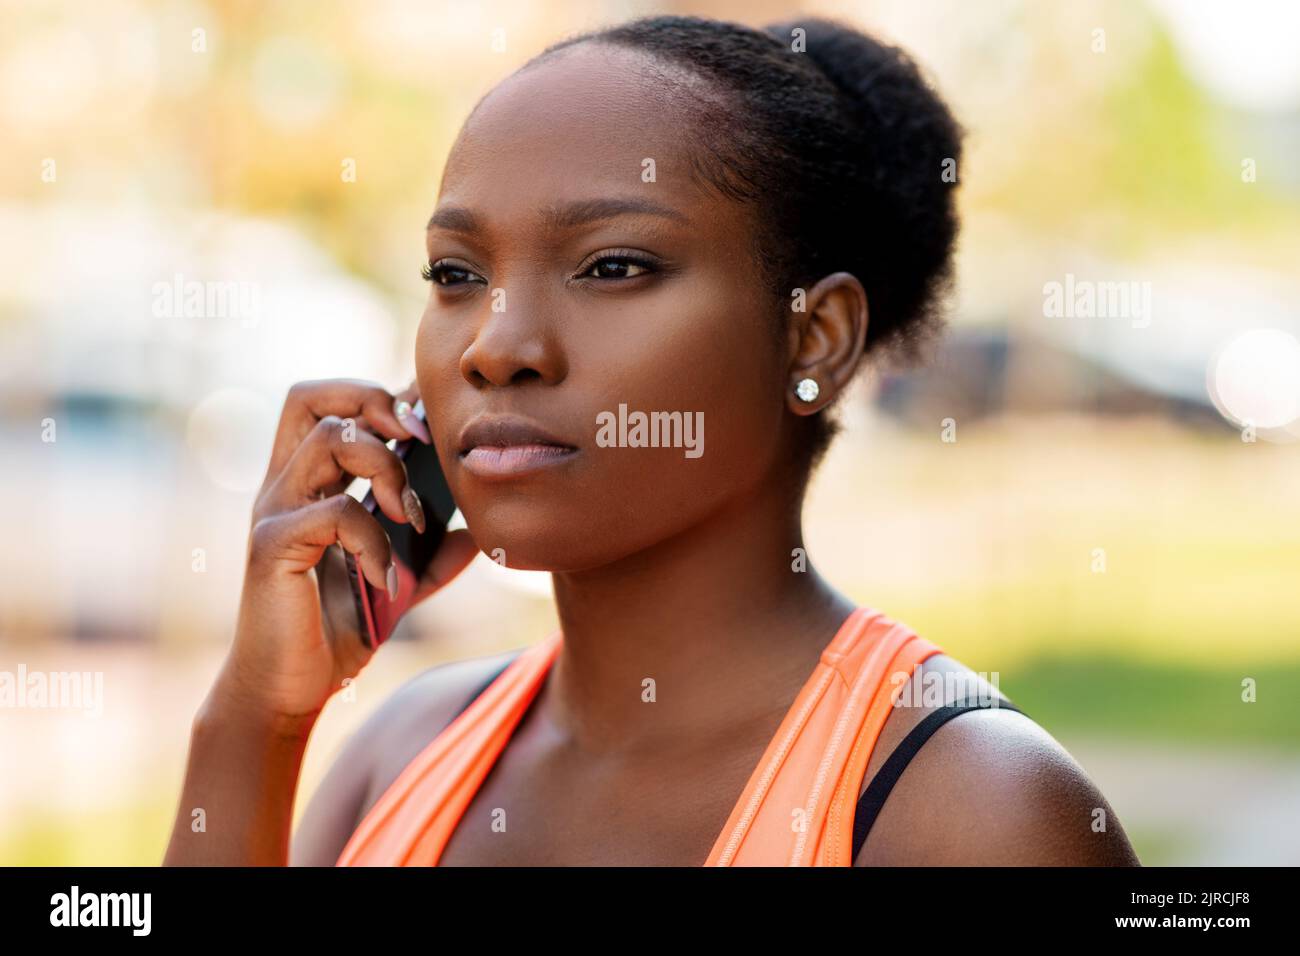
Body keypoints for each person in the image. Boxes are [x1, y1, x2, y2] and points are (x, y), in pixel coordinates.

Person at [164, 14, 1140, 866]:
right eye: (456, 273)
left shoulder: (973, 812)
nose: (497, 345)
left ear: (814, 336)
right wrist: (259, 717)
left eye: (612, 265)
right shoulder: (404, 751)